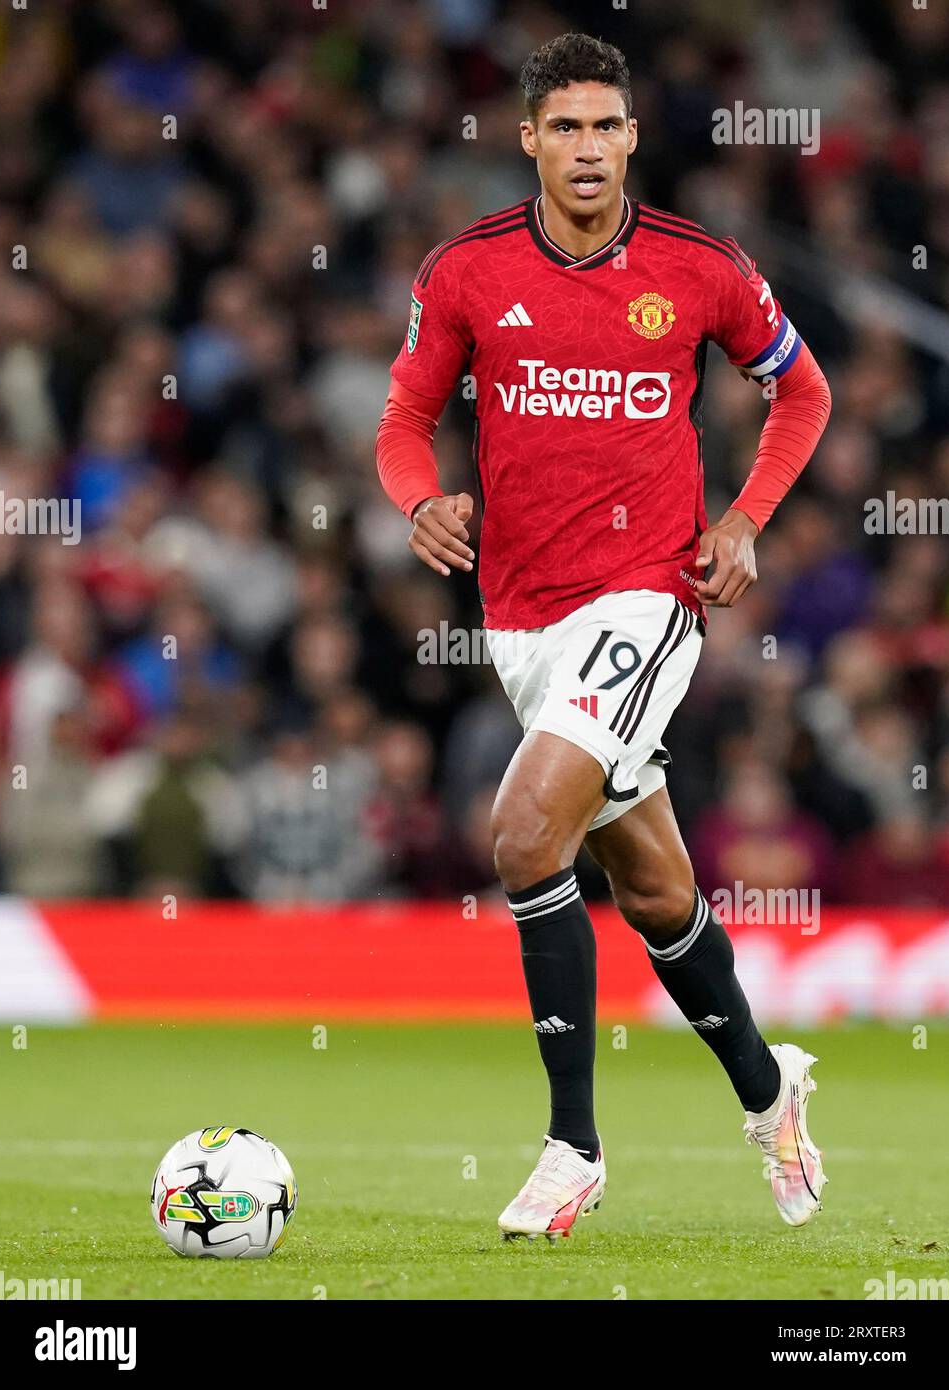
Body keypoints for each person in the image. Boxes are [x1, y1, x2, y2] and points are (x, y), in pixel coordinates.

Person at [375, 33, 832, 1239]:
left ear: (634, 136)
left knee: (525, 833)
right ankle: (766, 1089)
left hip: (647, 595)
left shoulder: (699, 268)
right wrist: (419, 499)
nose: (587, 149)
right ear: (526, 137)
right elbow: (403, 420)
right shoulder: (466, 272)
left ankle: (571, 1147)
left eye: (606, 126)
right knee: (652, 882)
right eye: (563, 127)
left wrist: (740, 523)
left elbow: (803, 389)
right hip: (520, 620)